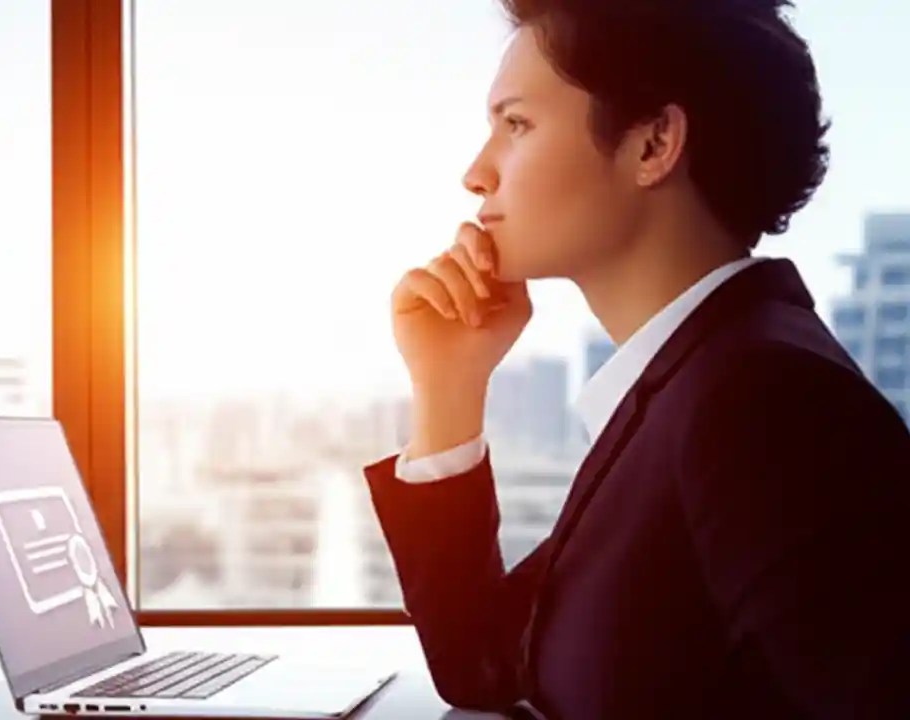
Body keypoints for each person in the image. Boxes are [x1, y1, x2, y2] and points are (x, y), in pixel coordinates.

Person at [364, 1, 910, 718]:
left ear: (654, 144)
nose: (477, 173)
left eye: (517, 124)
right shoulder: (693, 380)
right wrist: (449, 387)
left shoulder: (762, 403)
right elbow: (486, 663)